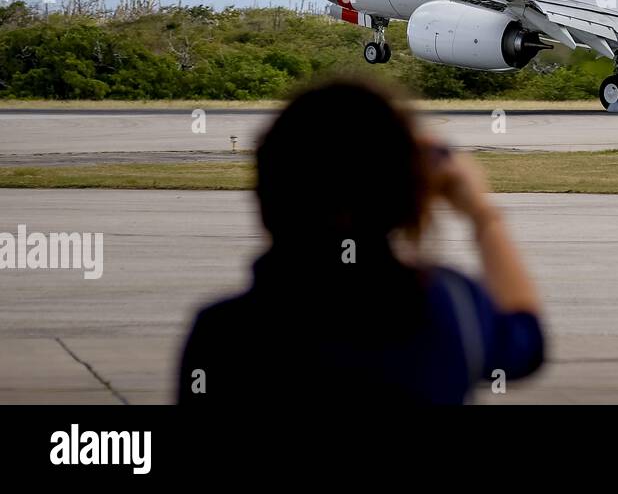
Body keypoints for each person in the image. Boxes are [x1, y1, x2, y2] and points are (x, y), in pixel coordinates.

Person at [177, 79, 544, 405]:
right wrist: (483, 215)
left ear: (265, 198)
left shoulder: (223, 335)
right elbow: (527, 342)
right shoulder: (452, 305)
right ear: (409, 198)